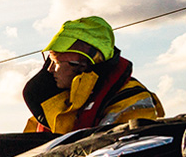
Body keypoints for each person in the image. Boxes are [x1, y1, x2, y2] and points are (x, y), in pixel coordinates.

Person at [22, 16, 163, 133]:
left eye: (57, 62)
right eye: (50, 62)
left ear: (82, 66)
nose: (50, 69)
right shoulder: (54, 106)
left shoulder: (130, 100)